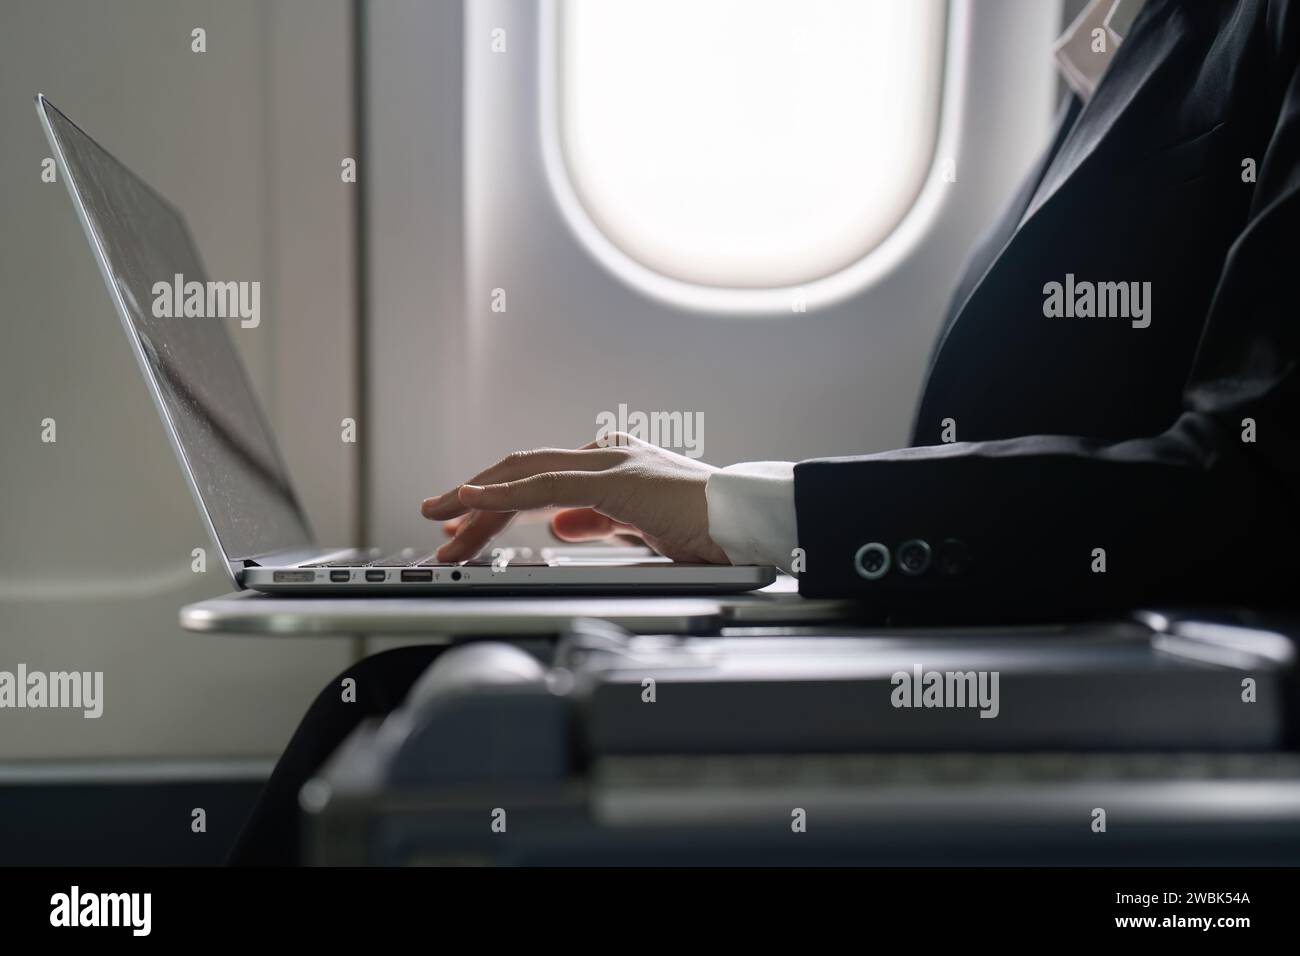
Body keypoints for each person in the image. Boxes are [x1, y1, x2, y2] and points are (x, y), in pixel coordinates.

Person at [230, 0, 1300, 864]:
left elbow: (1244, 487)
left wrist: (748, 513)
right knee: (396, 690)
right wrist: (732, 521)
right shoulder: (1101, 33)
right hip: (1014, 635)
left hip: (1148, 681)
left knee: (407, 703)